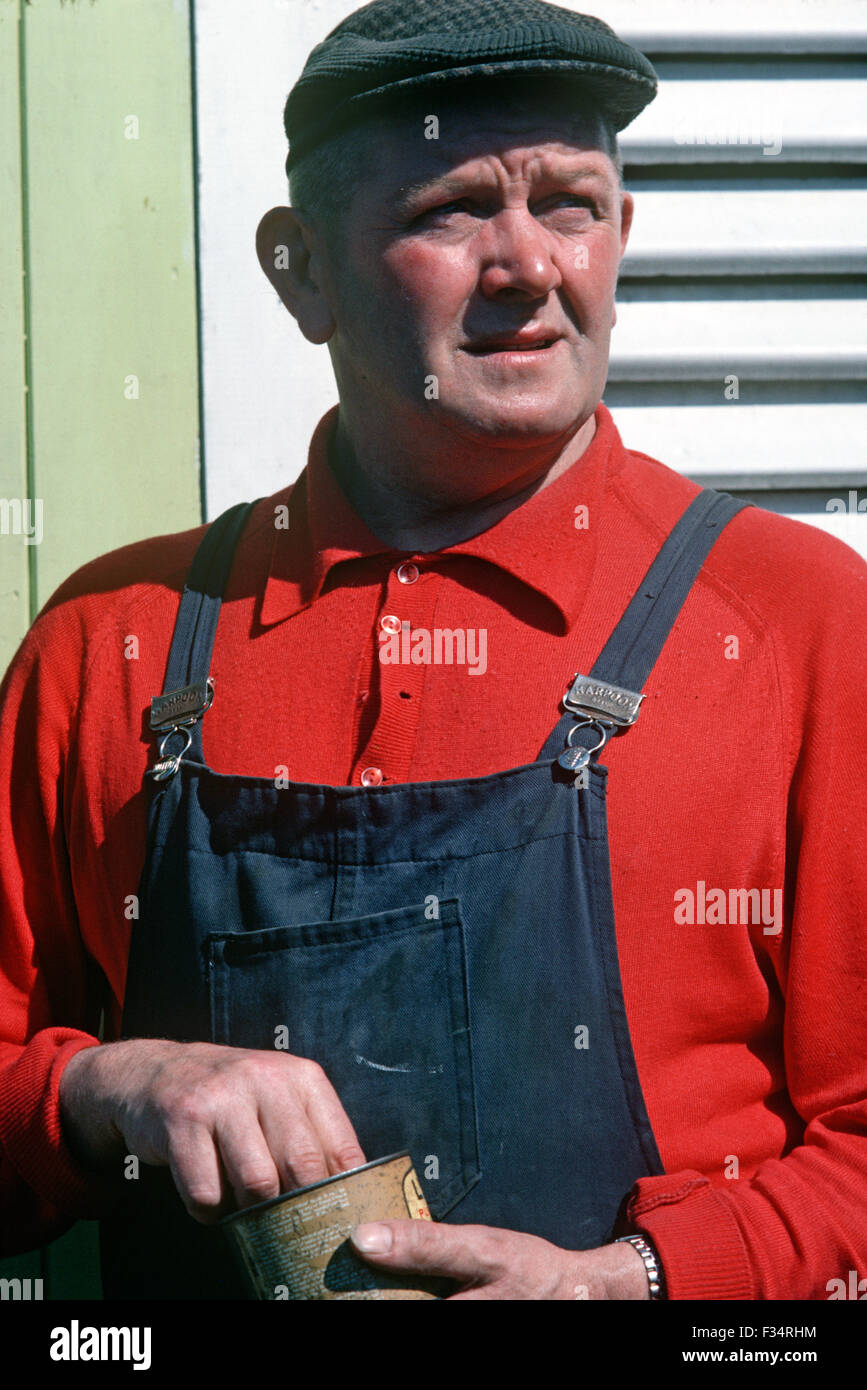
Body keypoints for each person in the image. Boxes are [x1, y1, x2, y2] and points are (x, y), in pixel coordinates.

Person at [1, 0, 865, 1302]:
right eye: (452, 210)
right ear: (301, 272)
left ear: (620, 236)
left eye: (571, 203)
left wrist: (632, 1276)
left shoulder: (798, 622)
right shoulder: (107, 641)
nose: (528, 262)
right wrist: (101, 1085)